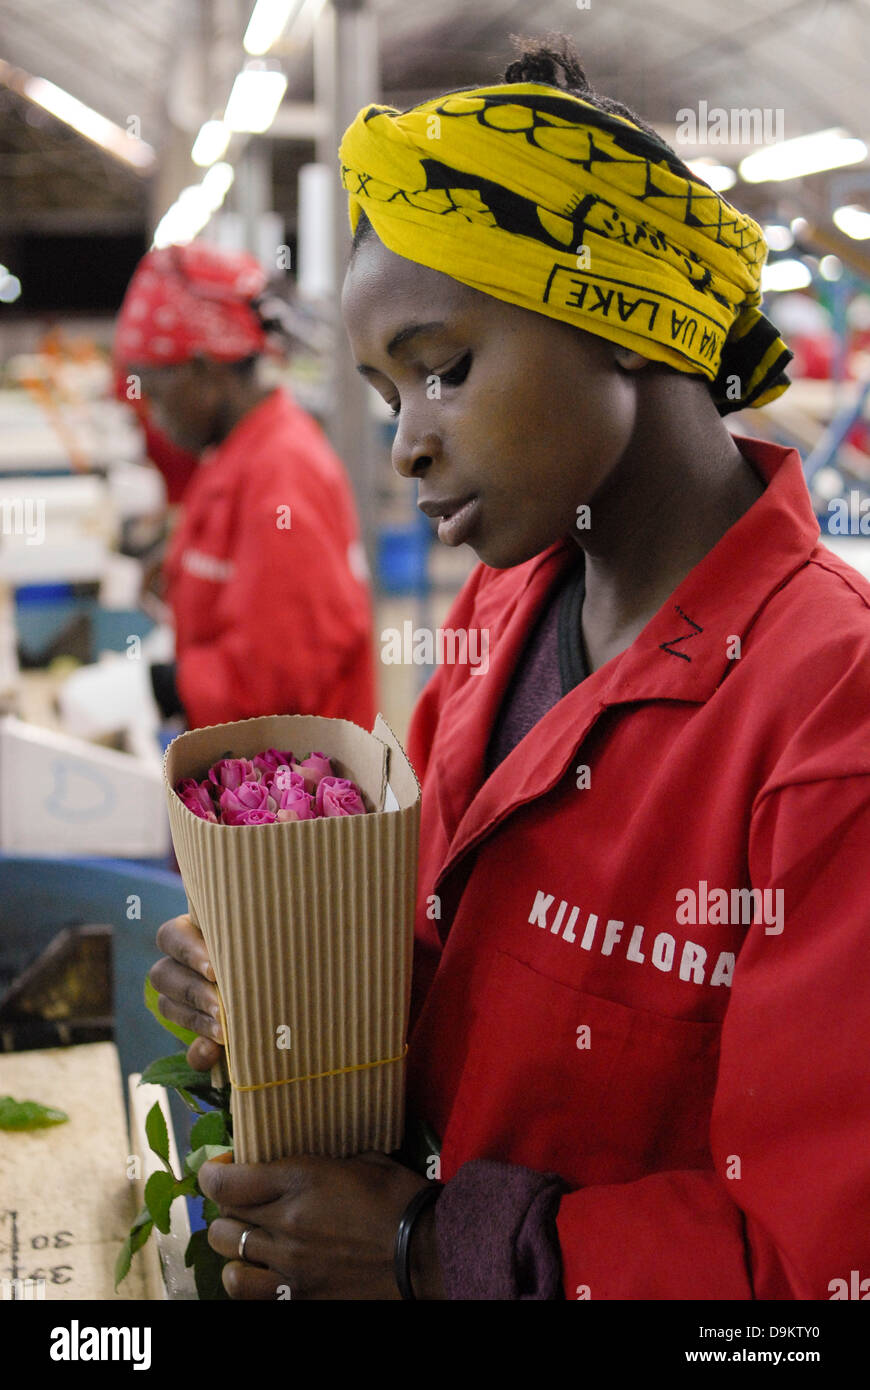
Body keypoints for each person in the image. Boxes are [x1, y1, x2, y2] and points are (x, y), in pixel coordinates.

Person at [150, 37, 870, 1300]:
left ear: (624, 317)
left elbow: (812, 1276)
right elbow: (433, 991)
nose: (408, 448)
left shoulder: (829, 714)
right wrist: (278, 998)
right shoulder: (493, 626)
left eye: (444, 369)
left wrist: (429, 1249)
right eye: (387, 398)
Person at [112, 240, 377, 731]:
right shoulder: (236, 451)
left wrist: (163, 685)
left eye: (157, 391)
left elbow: (277, 680)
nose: (153, 414)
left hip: (297, 790)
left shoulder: (282, 472)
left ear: (204, 371)